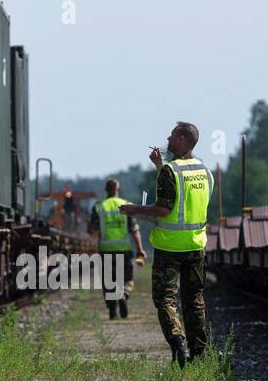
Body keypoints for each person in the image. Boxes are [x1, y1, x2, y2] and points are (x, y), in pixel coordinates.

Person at [120, 121, 210, 366]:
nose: (168, 139)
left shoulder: (171, 172)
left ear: (181, 139)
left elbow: (164, 207)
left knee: (165, 299)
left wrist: (133, 209)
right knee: (194, 300)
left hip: (170, 247)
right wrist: (160, 165)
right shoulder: (204, 170)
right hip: (196, 246)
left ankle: (179, 345)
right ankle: (199, 354)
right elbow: (185, 200)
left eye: (171, 135)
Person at [88, 178, 146, 319]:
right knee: (127, 279)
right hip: (124, 250)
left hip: (105, 250)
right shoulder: (126, 205)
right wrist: (140, 249)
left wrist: (91, 249)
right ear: (117, 190)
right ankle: (124, 295)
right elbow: (134, 231)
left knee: (108, 280)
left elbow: (93, 232)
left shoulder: (99, 207)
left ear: (106, 190)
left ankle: (112, 310)